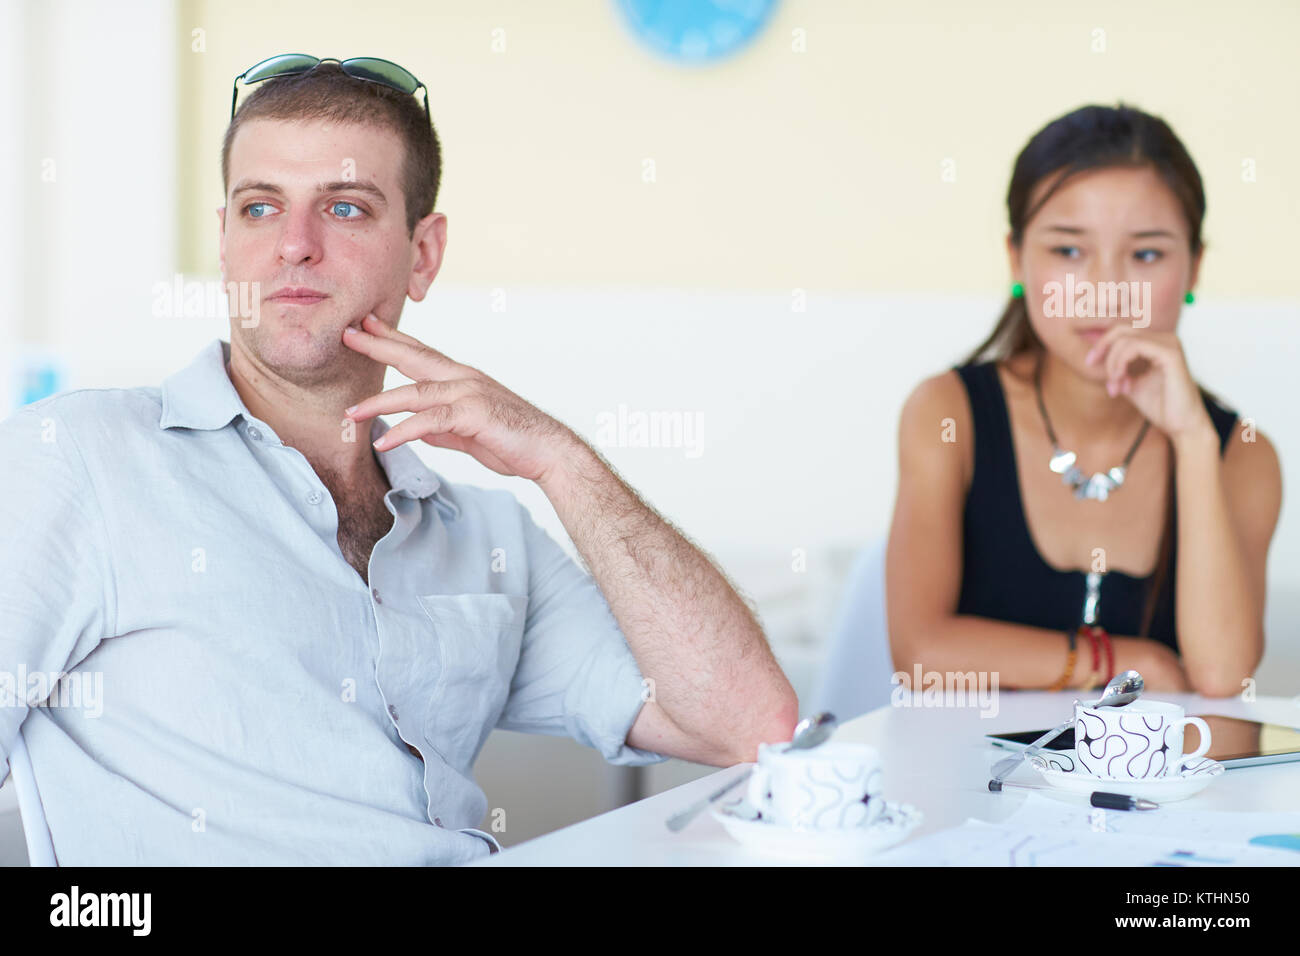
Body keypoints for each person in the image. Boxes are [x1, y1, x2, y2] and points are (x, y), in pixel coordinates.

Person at [0, 55, 796, 865]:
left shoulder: (488, 537)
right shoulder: (80, 462)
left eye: (344, 207)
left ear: (423, 254)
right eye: (260, 207)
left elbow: (747, 725)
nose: (294, 247)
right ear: (225, 241)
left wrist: (562, 461)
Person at [886, 103, 1281, 698]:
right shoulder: (949, 413)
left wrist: (1193, 441)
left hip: (1149, 793)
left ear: (1194, 269)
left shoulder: (1242, 454)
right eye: (1069, 251)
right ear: (1017, 258)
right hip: (969, 786)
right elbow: (922, 658)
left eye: (1146, 254)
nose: (1105, 290)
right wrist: (1124, 659)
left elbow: (1223, 676)